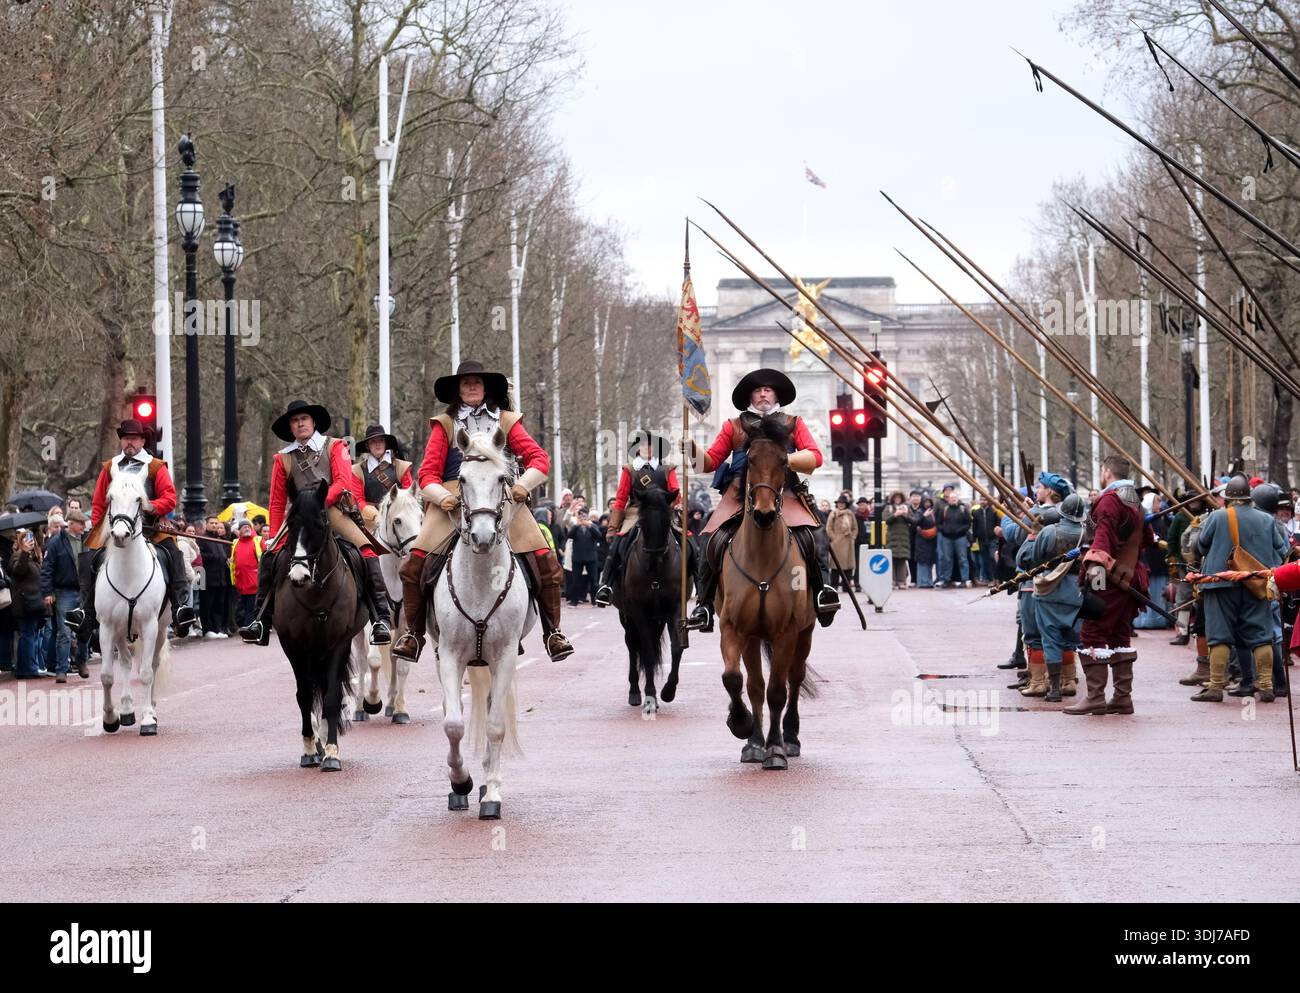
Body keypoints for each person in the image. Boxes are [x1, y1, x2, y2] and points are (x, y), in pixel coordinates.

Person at [392, 361, 573, 663]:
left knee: (547, 562)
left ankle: (552, 633)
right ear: (458, 390)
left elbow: (539, 459)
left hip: (502, 497)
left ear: (486, 388)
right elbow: (426, 475)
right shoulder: (445, 424)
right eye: (466, 383)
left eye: (477, 382)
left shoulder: (507, 420)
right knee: (413, 565)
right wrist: (440, 496)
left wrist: (523, 486)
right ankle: (413, 635)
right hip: (451, 498)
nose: (472, 387)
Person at [686, 367, 839, 631]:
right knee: (709, 537)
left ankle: (821, 590)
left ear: (776, 394)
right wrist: (690, 448)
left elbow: (815, 457)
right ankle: (704, 604)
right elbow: (708, 463)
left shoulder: (792, 422)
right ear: (750, 397)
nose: (763, 394)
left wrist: (783, 461)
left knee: (815, 534)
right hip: (738, 493)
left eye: (767, 389)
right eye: (757, 390)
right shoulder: (734, 426)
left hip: (783, 491)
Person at [237, 399, 393, 646]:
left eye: (304, 419)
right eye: (295, 421)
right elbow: (277, 503)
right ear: (291, 427)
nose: (300, 424)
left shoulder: (335, 446)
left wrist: (316, 503)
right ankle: (260, 620)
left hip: (332, 510)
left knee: (365, 550)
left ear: (313, 422)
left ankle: (380, 619)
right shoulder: (282, 458)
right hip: (298, 517)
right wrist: (274, 536)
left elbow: (342, 482)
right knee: (270, 556)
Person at [65, 419, 197, 641]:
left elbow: (170, 498)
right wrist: (101, 529)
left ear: (143, 441)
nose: (129, 443)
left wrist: (151, 507)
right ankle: (85, 614)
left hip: (152, 528)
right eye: (126, 438)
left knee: (174, 554)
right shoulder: (110, 467)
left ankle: (180, 609)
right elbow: (98, 503)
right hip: (115, 527)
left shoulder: (155, 466)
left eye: (134, 438)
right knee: (88, 557)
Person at [1065, 455, 1154, 716]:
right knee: (1118, 635)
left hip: (1108, 579)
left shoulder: (1109, 500)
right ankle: (1122, 699)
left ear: (1106, 472)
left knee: (1092, 633)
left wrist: (1095, 580)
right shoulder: (1134, 500)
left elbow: (1101, 543)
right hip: (1130, 577)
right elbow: (1146, 539)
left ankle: (1095, 698)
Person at [1189, 475, 1288, 703]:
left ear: (1227, 498)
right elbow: (1282, 550)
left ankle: (1215, 687)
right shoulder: (1267, 520)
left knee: (1219, 636)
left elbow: (1201, 546)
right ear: (1248, 497)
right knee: (1261, 635)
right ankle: (1265, 686)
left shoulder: (1217, 516)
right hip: (1256, 582)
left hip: (1221, 583)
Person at [594, 431, 686, 607]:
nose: (647, 448)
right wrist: (613, 527)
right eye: (644, 444)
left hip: (663, 511)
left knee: (688, 542)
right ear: (638, 448)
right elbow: (621, 499)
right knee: (619, 543)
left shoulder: (667, 469)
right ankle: (605, 584)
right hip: (636, 511)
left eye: (651, 445)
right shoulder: (630, 469)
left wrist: (676, 504)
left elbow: (675, 493)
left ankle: (699, 587)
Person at [1019, 493, 1087, 701]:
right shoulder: (1089, 533)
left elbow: (1034, 560)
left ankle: (1055, 689)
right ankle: (1068, 683)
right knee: (1069, 640)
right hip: (1077, 592)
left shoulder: (1049, 532)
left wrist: (1032, 537)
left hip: (1050, 591)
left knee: (1050, 640)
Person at [40, 509, 88, 681]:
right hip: (64, 591)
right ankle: (61, 670)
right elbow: (47, 568)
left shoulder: (87, 540)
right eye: (81, 523)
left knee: (84, 630)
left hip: (83, 591)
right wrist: (47, 592)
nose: (83, 526)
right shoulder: (56, 542)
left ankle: (81, 661)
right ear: (71, 524)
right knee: (64, 632)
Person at [351, 424, 413, 524]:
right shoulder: (357, 471)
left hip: (400, 519)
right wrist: (376, 516)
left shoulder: (401, 467)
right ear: (367, 446)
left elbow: (410, 496)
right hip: (370, 521)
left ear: (386, 443)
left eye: (381, 440)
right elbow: (357, 500)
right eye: (373, 441)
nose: (377, 444)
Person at [10, 530, 49, 678]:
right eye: (26, 539)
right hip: (25, 604)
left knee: (29, 636)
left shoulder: (34, 559)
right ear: (20, 542)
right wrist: (25, 552)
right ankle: (29, 669)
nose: (30, 541)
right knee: (28, 636)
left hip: (34, 604)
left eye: (31, 538)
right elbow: (18, 570)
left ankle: (24, 669)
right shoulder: (17, 556)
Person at [199, 516, 232, 639]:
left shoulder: (218, 540)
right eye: (212, 523)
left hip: (220, 579)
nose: (214, 525)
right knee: (207, 605)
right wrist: (214, 556)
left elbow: (222, 556)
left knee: (218, 605)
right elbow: (200, 555)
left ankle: (217, 628)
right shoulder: (201, 538)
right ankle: (207, 629)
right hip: (207, 579)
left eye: (216, 523)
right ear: (206, 524)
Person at [935, 489, 972, 588]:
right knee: (947, 559)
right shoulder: (944, 509)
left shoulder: (963, 509)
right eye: (951, 498)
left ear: (957, 499)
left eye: (955, 498)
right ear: (948, 500)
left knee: (963, 559)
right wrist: (944, 530)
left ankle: (965, 579)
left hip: (960, 537)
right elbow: (938, 523)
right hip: (947, 538)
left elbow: (968, 523)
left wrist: (961, 530)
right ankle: (946, 580)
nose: (953, 500)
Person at [230, 519, 262, 629]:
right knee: (243, 606)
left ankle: (249, 627)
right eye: (244, 527)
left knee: (250, 607)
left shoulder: (257, 540)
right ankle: (246, 626)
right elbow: (234, 562)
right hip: (240, 581)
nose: (247, 528)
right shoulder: (236, 543)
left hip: (254, 580)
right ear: (239, 530)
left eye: (249, 526)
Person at [826, 497, 858, 593]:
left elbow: (855, 527)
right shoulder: (833, 514)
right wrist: (834, 538)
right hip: (837, 543)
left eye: (843, 503)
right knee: (835, 566)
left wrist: (852, 537)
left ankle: (846, 586)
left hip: (848, 542)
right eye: (839, 503)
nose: (841, 504)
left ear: (846, 504)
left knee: (848, 567)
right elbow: (829, 528)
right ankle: (834, 586)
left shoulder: (850, 513)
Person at [886, 499, 913, 589]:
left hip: (903, 538)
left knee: (902, 560)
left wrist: (904, 515)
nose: (897, 499)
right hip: (892, 538)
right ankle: (892, 581)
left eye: (899, 498)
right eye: (895, 497)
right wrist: (895, 515)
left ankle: (901, 581)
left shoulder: (907, 508)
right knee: (892, 560)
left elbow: (913, 520)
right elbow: (885, 519)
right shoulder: (889, 508)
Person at [913, 497, 937, 588]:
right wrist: (924, 516)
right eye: (926, 502)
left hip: (932, 539)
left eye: (929, 502)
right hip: (922, 540)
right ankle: (923, 582)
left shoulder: (933, 512)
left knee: (930, 561)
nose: (927, 504)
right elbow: (915, 523)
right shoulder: (919, 512)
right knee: (922, 561)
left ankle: (929, 581)